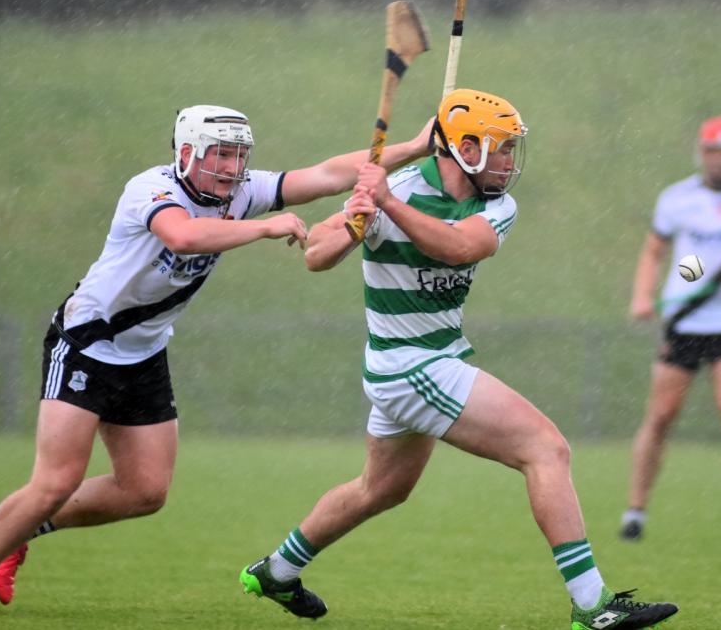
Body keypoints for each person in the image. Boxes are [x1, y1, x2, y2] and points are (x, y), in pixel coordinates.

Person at [0, 105, 435, 617]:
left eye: (239, 156)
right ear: (187, 153)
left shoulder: (241, 192)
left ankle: (16, 524)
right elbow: (183, 236)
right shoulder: (152, 189)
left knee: (145, 491)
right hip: (84, 344)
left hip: (144, 355)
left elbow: (328, 174)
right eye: (220, 154)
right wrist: (263, 229)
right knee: (56, 481)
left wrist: (414, 148)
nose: (231, 167)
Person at [239, 89, 678, 630]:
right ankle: (592, 606)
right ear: (465, 147)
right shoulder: (394, 186)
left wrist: (388, 208)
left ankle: (277, 571)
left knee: (381, 489)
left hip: (425, 360)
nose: (510, 163)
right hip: (410, 365)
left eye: (513, 150)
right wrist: (357, 220)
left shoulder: (494, 205)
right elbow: (315, 256)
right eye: (501, 149)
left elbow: (458, 248)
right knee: (547, 449)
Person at [623, 116, 721, 546]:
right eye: (714, 151)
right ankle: (634, 511)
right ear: (701, 154)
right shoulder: (677, 200)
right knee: (661, 416)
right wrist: (641, 296)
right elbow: (656, 252)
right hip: (685, 316)